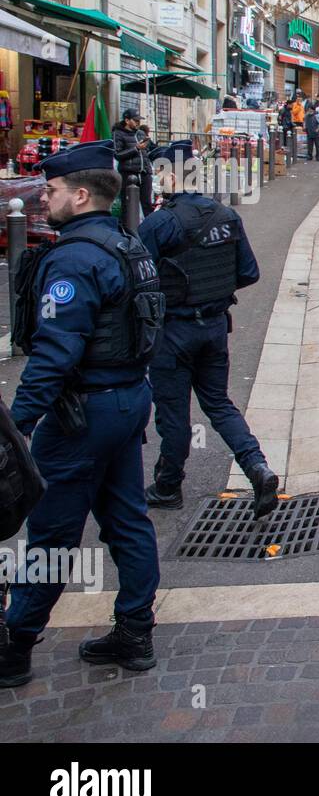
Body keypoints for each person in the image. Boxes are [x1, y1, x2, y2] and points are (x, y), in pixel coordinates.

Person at [0, 143, 166, 688]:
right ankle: (135, 632)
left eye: (49, 191)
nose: (41, 199)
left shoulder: (73, 257)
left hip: (82, 412)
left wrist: (18, 424)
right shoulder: (127, 243)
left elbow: (55, 352)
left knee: (51, 533)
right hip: (127, 399)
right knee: (127, 520)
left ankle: (15, 645)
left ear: (79, 194)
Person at [134, 139, 279, 515]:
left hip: (173, 333)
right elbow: (249, 273)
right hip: (214, 327)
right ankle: (257, 467)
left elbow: (134, 281)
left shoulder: (159, 223)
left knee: (173, 412)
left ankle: (169, 486)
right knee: (218, 403)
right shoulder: (226, 215)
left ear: (167, 175)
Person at [112, 108, 154, 219]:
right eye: (135, 120)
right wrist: (136, 148)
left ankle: (151, 230)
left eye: (139, 121)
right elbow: (118, 155)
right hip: (128, 174)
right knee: (128, 205)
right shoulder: (118, 134)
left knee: (147, 204)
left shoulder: (140, 133)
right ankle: (127, 231)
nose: (137, 123)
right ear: (127, 120)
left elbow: (149, 151)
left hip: (144, 173)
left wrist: (148, 169)